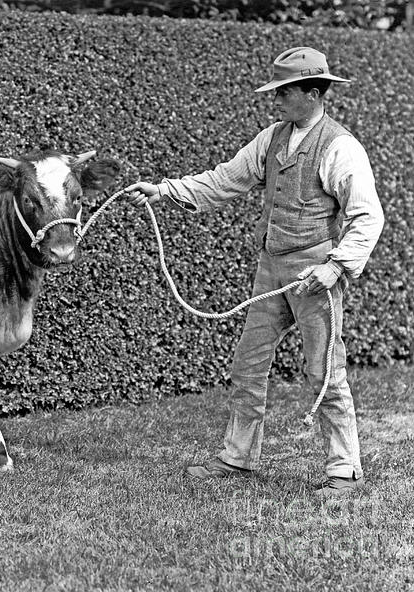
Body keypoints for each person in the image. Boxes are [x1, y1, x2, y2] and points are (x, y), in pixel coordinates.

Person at [124, 47, 384, 497]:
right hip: (271, 269)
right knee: (247, 365)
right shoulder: (271, 138)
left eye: (284, 91)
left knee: (324, 371)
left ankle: (344, 470)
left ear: (314, 93)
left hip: (315, 274)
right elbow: (225, 179)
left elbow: (367, 216)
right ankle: (238, 458)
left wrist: (336, 266)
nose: (275, 99)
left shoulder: (341, 147)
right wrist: (163, 191)